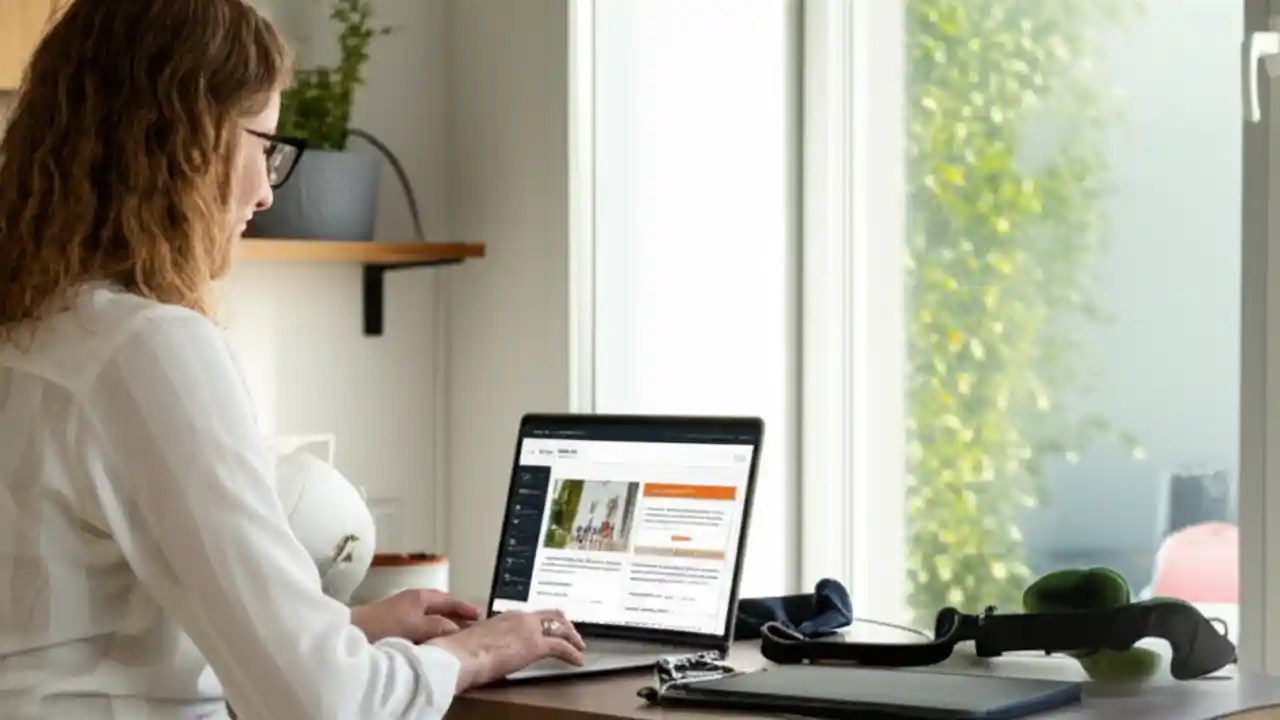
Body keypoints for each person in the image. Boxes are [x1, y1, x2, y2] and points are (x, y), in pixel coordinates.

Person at [0, 1, 584, 718]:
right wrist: (477, 651)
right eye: (264, 145)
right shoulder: (147, 350)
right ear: (185, 138)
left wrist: (345, 630)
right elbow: (325, 707)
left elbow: (71, 638)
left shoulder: (35, 333)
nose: (266, 190)